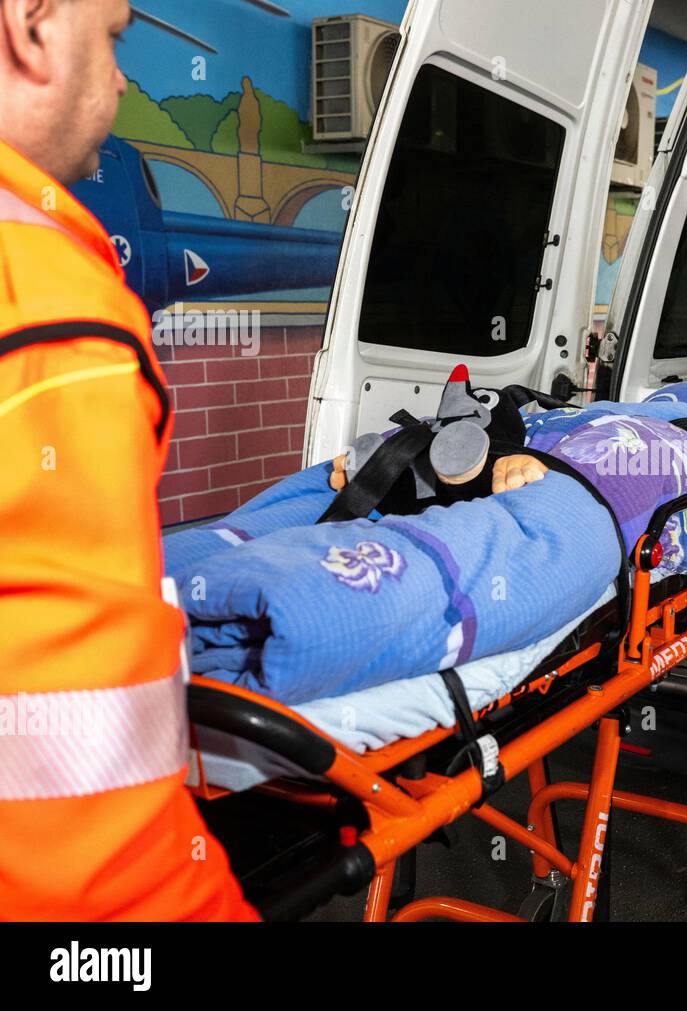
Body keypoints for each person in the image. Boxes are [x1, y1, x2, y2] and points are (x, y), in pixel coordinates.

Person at [0, 0, 256, 920]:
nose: (117, 78)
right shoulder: (49, 312)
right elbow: (86, 807)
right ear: (31, 25)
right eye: (111, 37)